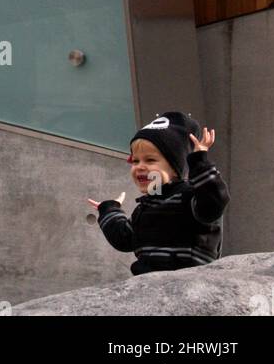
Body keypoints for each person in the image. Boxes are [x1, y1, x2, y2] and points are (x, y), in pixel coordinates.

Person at [88, 110, 230, 275]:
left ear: (175, 167)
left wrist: (199, 161)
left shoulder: (190, 196)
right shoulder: (145, 207)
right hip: (147, 287)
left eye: (150, 160)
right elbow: (125, 239)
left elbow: (213, 202)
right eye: (135, 161)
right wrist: (109, 210)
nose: (139, 166)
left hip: (190, 282)